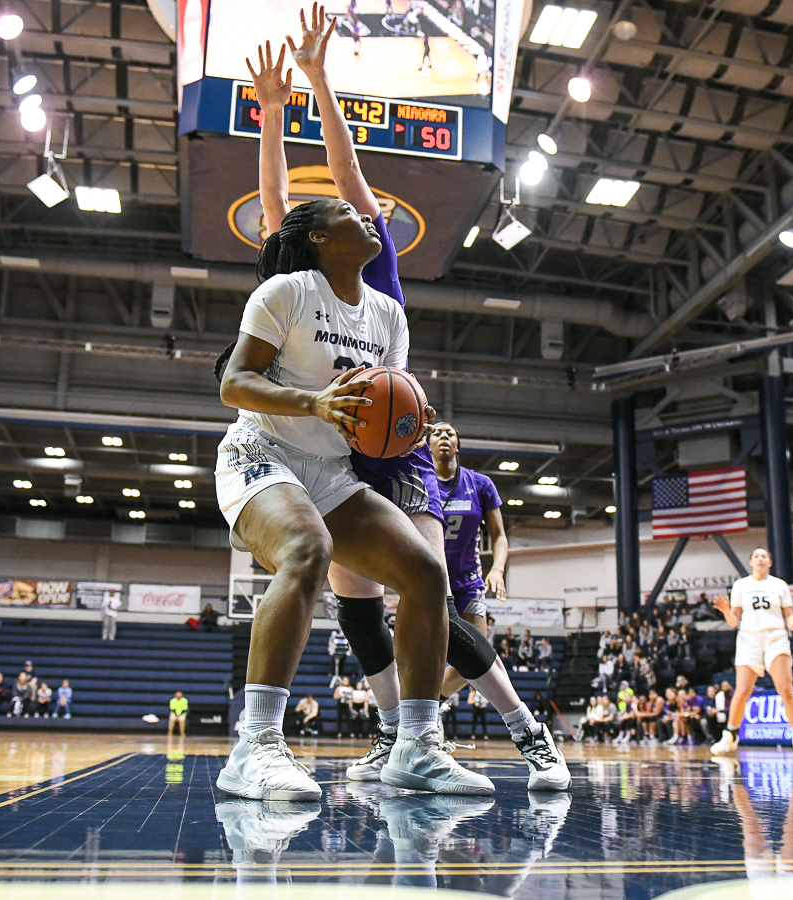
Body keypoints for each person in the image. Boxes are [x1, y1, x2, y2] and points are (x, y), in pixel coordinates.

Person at [234, 15, 489, 799]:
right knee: (341, 590)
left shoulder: (383, 296)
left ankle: (429, 740)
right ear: (318, 242)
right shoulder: (294, 287)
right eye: (347, 217)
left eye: (361, 212)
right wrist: (276, 111)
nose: (364, 215)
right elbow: (280, 205)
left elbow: (347, 173)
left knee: (426, 579)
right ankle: (316, 738)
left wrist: (318, 85)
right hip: (301, 445)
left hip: (375, 453)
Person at [422, 420, 567, 788]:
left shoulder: (480, 484)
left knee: (478, 654)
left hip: (468, 582)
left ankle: (432, 702)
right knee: (431, 656)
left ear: (458, 444)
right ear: (426, 442)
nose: (444, 436)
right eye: (437, 432)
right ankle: (420, 720)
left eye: (451, 433)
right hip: (429, 580)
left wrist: (498, 569)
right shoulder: (420, 479)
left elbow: (499, 536)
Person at [711, 547, 793, 757]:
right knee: (742, 691)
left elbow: (789, 615)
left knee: (785, 688)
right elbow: (734, 621)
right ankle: (730, 736)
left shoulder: (779, 585)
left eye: (764, 556)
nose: (760, 558)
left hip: (775, 637)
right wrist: (726, 611)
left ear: (770, 562)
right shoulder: (741, 585)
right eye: (756, 556)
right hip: (749, 639)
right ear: (751, 562)